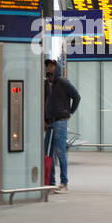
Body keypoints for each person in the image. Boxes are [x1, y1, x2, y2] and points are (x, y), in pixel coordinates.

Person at [43, 58, 80, 193]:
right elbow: (43, 102)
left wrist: (70, 111)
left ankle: (64, 183)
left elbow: (76, 97)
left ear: (57, 67)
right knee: (48, 153)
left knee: (60, 153)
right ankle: (51, 182)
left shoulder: (63, 82)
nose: (49, 68)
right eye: (48, 66)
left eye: (52, 65)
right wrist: (44, 120)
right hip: (49, 123)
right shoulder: (45, 84)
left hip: (60, 122)